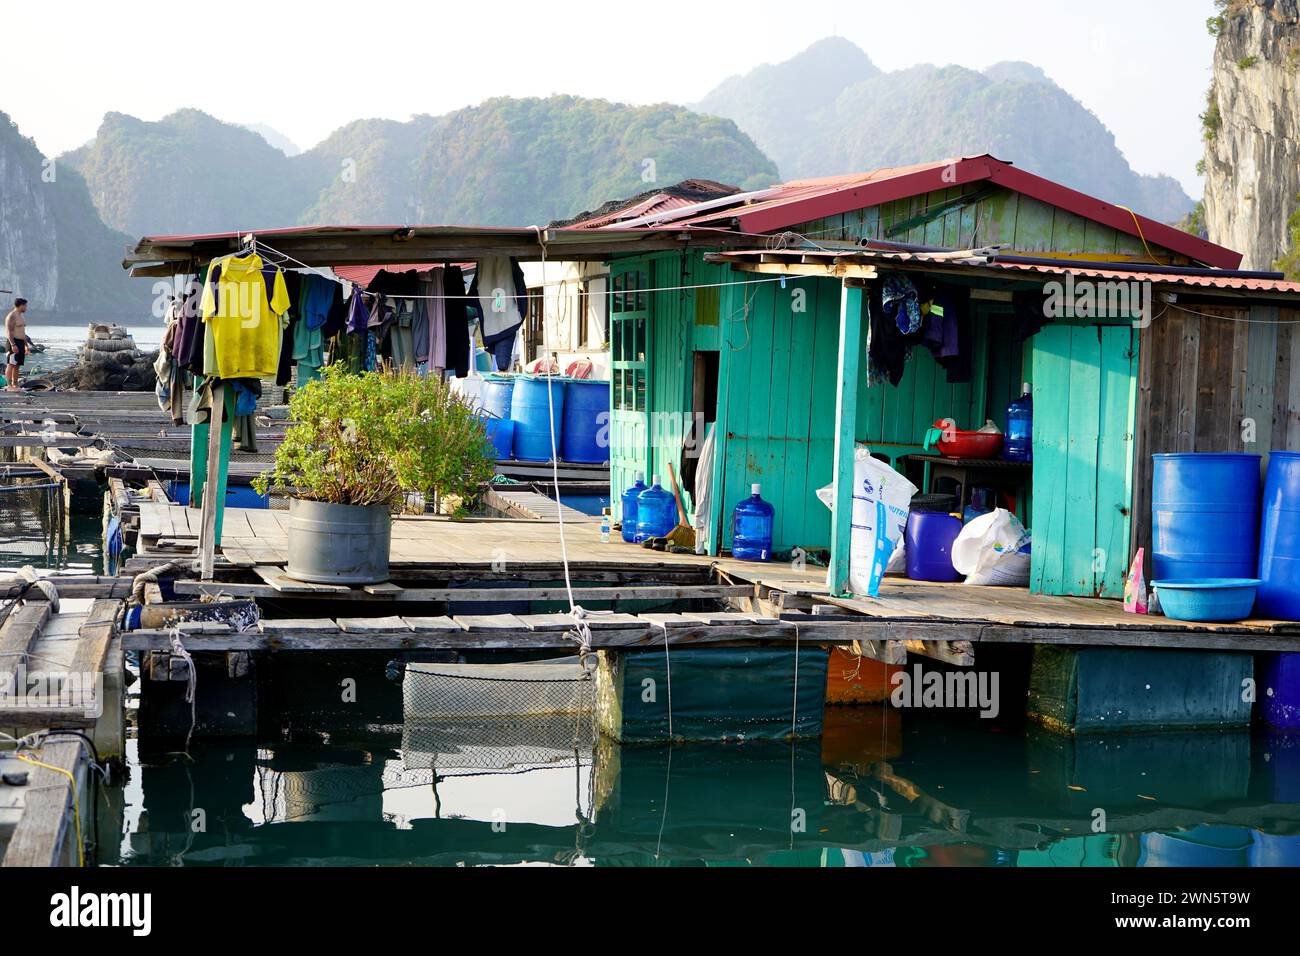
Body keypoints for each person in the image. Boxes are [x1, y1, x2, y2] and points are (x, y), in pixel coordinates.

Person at [5, 298, 32, 391]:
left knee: (18, 365)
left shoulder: (21, 316)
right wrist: (13, 344)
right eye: (25, 306)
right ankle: (9, 385)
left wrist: (26, 346)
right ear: (21, 305)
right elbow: (8, 332)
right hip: (13, 342)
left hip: (21, 342)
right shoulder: (12, 316)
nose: (26, 308)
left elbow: (22, 332)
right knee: (11, 364)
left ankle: (15, 385)